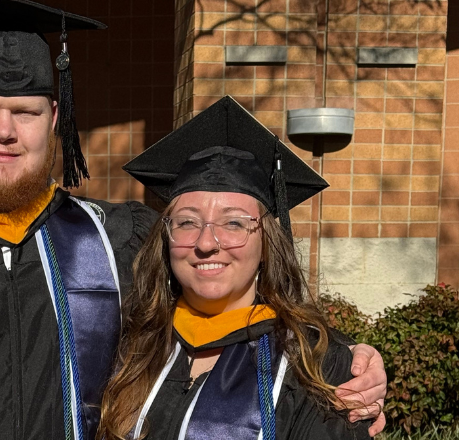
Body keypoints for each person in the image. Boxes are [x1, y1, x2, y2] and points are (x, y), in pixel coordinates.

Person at [0, 1, 386, 438]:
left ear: (55, 120)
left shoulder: (115, 241)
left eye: (25, 111)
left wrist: (349, 364)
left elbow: (229, 305)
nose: (3, 130)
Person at [99, 96, 375, 440]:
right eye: (187, 222)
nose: (205, 243)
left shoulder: (313, 365)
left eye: (233, 223)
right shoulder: (131, 346)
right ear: (165, 238)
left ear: (266, 244)